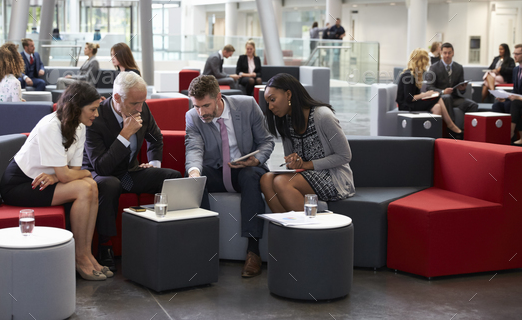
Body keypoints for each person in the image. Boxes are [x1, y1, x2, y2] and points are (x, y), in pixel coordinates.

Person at [0, 82, 109, 281]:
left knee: (91, 185)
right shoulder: (50, 126)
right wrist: (81, 174)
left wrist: (61, 176)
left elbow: (72, 171)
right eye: (92, 109)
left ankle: (86, 253)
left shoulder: (81, 126)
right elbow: (73, 175)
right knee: (86, 186)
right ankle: (79, 258)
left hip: (47, 180)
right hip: (21, 184)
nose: (97, 114)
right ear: (77, 108)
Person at [83, 72, 182, 271]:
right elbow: (101, 166)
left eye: (142, 102)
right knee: (111, 184)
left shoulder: (141, 107)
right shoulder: (96, 117)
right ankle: (105, 245)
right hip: (99, 173)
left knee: (173, 178)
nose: (139, 108)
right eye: (134, 104)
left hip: (130, 171)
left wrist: (154, 164)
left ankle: (171, 237)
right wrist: (125, 134)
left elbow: (155, 138)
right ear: (117, 98)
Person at [185, 75, 274, 278]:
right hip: (216, 170)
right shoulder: (192, 117)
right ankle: (206, 249)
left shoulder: (247, 106)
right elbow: (194, 149)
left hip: (246, 168)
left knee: (251, 176)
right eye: (197, 106)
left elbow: (266, 141)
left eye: (206, 105)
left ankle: (253, 251)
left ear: (218, 97)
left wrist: (256, 159)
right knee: (196, 179)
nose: (201, 112)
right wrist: (194, 173)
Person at [260, 73, 355, 214]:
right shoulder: (286, 121)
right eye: (268, 102)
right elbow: (291, 161)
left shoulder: (323, 116)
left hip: (334, 178)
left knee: (281, 182)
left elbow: (344, 156)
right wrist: (293, 162)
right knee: (266, 179)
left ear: (288, 94)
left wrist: (306, 164)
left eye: (273, 99)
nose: (270, 107)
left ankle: (307, 231)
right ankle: (287, 227)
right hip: (306, 176)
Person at [396, 49, 463, 137]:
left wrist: (427, 94)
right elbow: (409, 98)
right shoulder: (408, 75)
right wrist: (426, 94)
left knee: (437, 107)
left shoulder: (414, 74)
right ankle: (451, 126)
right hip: (406, 105)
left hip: (411, 103)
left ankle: (434, 135)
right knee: (438, 98)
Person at [426, 42, 478, 129]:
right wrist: (443, 92)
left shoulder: (458, 67)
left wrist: (462, 89)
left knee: (473, 105)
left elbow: (461, 87)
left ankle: (468, 131)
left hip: (454, 98)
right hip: (441, 98)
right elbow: (429, 87)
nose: (447, 55)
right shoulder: (434, 68)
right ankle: (452, 128)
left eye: (449, 53)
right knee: (447, 97)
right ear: (441, 53)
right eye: (445, 53)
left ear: (453, 53)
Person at [492, 44, 522, 116]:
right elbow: (515, 90)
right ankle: (500, 126)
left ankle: (513, 126)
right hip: (516, 98)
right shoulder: (515, 69)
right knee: (496, 106)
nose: (514, 56)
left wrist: (518, 97)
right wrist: (506, 97)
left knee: (508, 105)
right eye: (514, 53)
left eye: (517, 54)